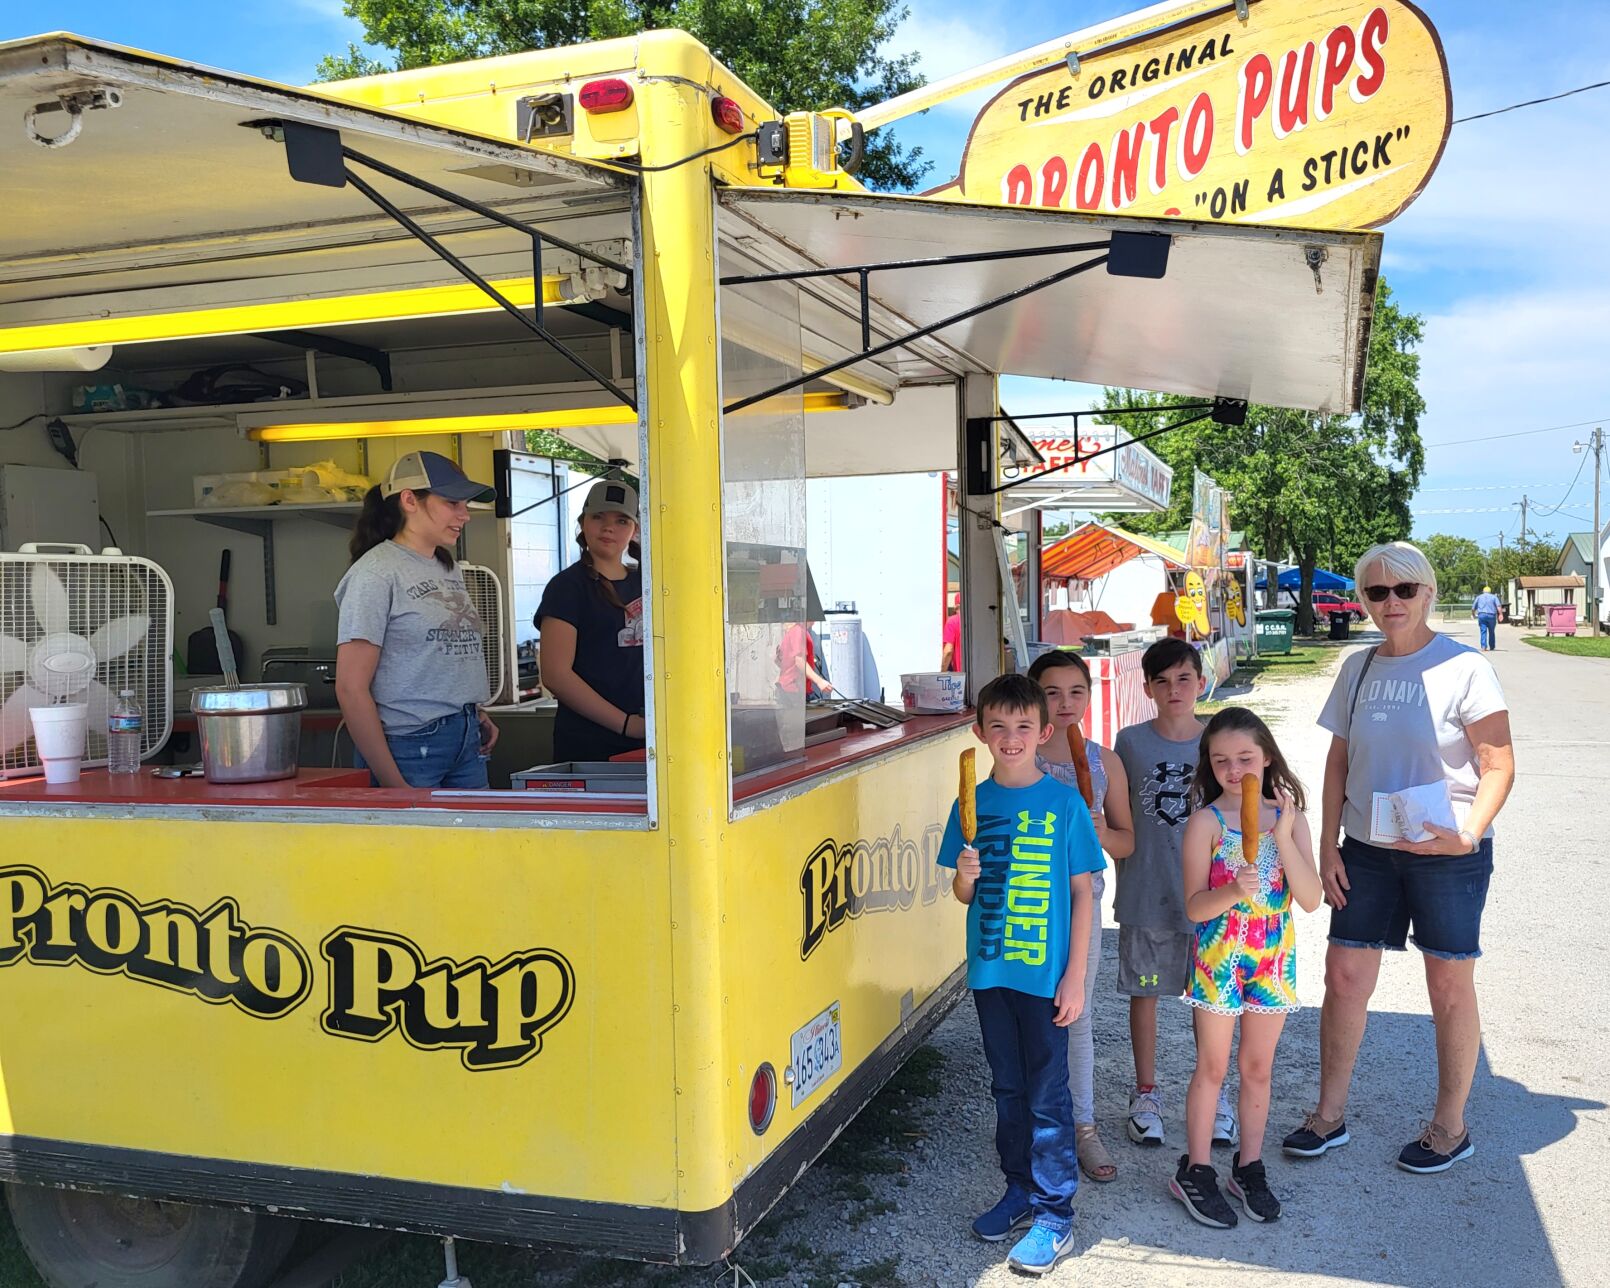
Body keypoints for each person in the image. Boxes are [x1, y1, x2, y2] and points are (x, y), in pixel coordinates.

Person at [1284, 541, 1514, 1174]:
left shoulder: (1465, 667)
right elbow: (1338, 762)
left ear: (1428, 592)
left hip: (1446, 855)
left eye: (1403, 590)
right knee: (1345, 979)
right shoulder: (1357, 669)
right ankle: (1328, 1116)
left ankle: (1449, 1126)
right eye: (1376, 592)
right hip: (1367, 850)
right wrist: (1329, 843)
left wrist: (1467, 833)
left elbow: (1498, 763)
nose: (1390, 603)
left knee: (1448, 986)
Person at [938, 674, 1102, 1275]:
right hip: (990, 974)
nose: (1011, 738)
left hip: (1046, 977)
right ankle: (1018, 1190)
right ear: (980, 733)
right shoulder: (969, 806)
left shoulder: (1064, 804)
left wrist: (1076, 976)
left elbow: (1083, 894)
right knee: (1006, 1088)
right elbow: (961, 895)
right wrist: (964, 871)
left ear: (1044, 732)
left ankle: (1055, 1212)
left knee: (1048, 1092)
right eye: (998, 728)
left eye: (1023, 728)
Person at [1172, 708, 1321, 1229]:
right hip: (1219, 958)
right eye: (1220, 761)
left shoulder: (1290, 817)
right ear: (1207, 765)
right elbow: (1193, 907)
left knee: (1257, 1068)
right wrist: (1233, 890)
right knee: (1212, 1067)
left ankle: (1249, 1165)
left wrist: (1282, 836)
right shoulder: (1205, 823)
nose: (1233, 770)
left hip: (1272, 959)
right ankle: (1196, 1169)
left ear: (1268, 757)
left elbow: (1310, 898)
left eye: (1245, 759)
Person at [1113, 638, 1239, 1152]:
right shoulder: (1130, 742)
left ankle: (1216, 1091)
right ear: (1145, 688)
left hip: (1211, 896)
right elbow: (1116, 812)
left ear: (1201, 682)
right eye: (1161, 681)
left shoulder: (1218, 740)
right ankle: (1146, 1093)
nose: (1173, 690)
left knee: (1212, 998)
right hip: (1147, 889)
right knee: (1146, 994)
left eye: (1183, 679)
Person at [1027, 649, 1136, 1184]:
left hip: (1080, 907)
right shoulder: (1020, 753)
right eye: (1052, 692)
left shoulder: (1103, 761)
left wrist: (1095, 829)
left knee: (1078, 1014)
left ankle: (1084, 1128)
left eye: (1076, 692)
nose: (1065, 704)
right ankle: (1034, 1122)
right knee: (1025, 1012)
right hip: (1024, 903)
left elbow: (1126, 842)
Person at [335, 451, 499, 789]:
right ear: (409, 500)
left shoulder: (446, 566)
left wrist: (473, 711)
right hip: (408, 743)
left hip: (466, 736)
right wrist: (394, 785)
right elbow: (351, 688)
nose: (464, 515)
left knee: (474, 842)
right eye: (453, 502)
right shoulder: (375, 573)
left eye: (465, 504)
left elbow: (438, 654)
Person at [536, 479, 646, 763]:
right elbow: (556, 674)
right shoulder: (567, 587)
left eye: (621, 520)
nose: (608, 527)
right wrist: (626, 724)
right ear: (583, 523)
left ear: (635, 530)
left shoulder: (650, 583)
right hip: (589, 747)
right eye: (598, 517)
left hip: (651, 742)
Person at [777, 621, 834, 701]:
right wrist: (819, 681)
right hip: (794, 688)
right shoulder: (798, 631)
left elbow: (778, 659)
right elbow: (799, 660)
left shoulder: (796, 631)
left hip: (795, 687)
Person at [1472, 585, 1501, 651]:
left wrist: (1473, 614)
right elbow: (1498, 606)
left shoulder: (1479, 597)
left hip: (1482, 615)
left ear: (1483, 591)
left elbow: (1473, 607)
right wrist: (1500, 614)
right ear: (1490, 591)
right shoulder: (1494, 597)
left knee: (1483, 631)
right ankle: (1492, 646)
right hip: (1491, 615)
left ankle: (1483, 646)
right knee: (1491, 631)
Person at [941, 597, 963, 672]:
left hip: (961, 674)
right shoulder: (976, 619)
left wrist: (942, 672)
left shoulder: (952, 621)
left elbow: (948, 651)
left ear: (955, 607)